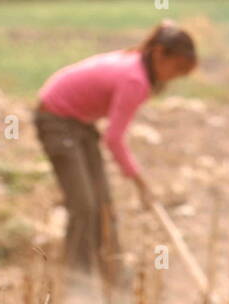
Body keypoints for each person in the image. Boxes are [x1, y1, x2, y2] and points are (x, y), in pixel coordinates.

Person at [35, 23, 197, 285]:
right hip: (55, 119)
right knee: (84, 206)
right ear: (159, 54)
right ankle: (79, 281)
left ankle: (114, 277)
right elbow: (114, 139)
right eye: (176, 68)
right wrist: (140, 182)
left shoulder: (137, 66)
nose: (173, 76)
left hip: (81, 124)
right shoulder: (135, 79)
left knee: (104, 207)